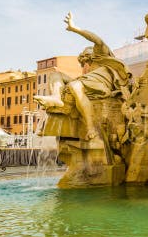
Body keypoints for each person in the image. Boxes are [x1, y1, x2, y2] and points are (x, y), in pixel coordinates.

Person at [34, 13, 131, 141]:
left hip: (102, 86)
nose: (85, 62)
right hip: (86, 83)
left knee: (75, 85)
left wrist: (75, 29)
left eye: (86, 57)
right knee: (55, 74)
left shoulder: (102, 56)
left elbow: (97, 40)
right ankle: (56, 97)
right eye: (83, 60)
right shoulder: (88, 72)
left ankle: (91, 128)